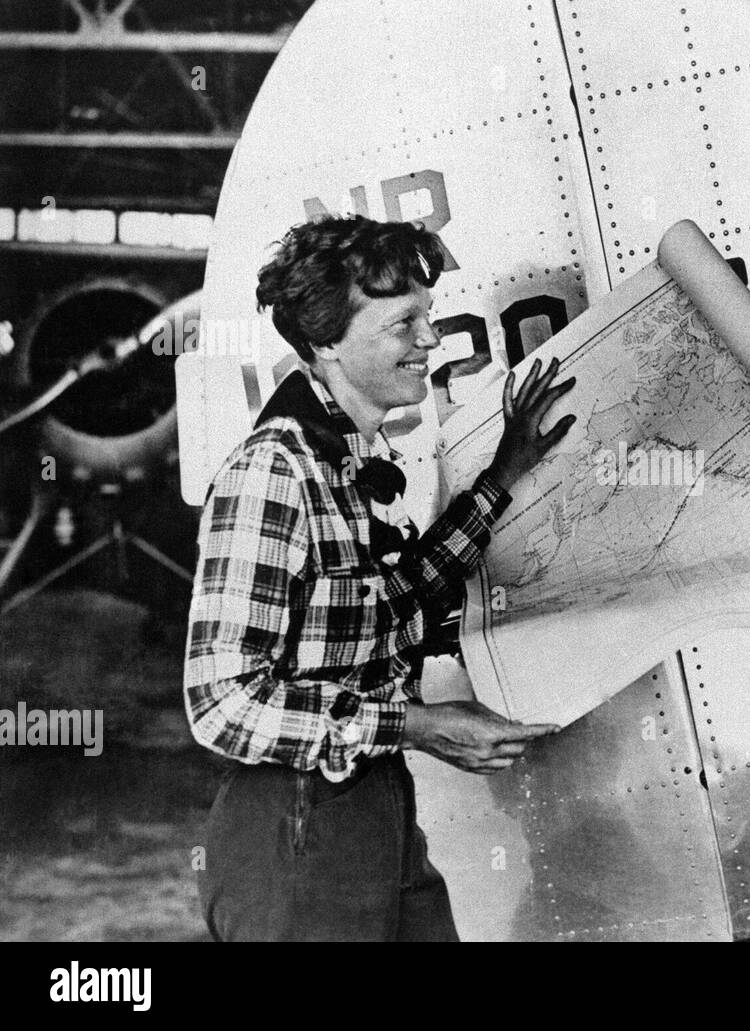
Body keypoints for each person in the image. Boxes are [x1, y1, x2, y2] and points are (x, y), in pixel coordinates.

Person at [184, 214, 576, 941]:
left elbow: (396, 605)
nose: (430, 339)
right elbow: (221, 703)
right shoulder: (274, 473)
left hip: (375, 808)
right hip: (295, 833)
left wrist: (504, 476)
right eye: (405, 323)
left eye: (426, 316)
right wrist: (419, 725)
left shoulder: (344, 460)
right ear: (327, 341)